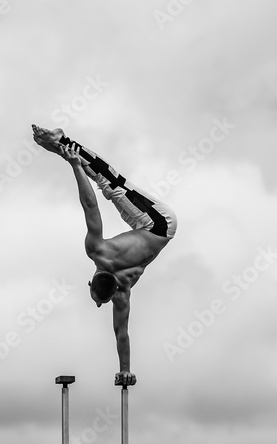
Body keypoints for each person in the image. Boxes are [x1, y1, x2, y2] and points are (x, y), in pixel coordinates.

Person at [32, 125, 178, 387]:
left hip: (151, 231)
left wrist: (125, 371)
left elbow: (122, 333)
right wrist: (76, 167)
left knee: (110, 187)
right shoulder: (98, 252)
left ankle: (65, 149)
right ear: (92, 282)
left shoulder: (122, 292)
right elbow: (90, 207)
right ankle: (63, 142)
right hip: (159, 222)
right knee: (111, 183)